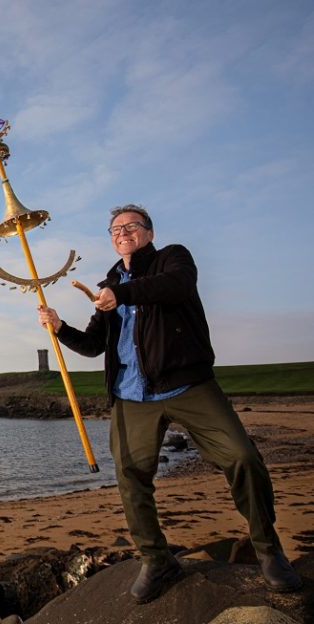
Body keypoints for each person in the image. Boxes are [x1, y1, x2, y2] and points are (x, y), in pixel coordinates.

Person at [37, 204, 303, 603]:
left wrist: (120, 294)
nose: (122, 232)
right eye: (115, 229)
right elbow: (94, 346)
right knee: (130, 476)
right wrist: (60, 328)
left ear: (148, 231)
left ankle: (268, 550)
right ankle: (157, 559)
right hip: (131, 395)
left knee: (243, 458)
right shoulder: (108, 282)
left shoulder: (172, 259)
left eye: (131, 226)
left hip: (187, 384)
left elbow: (174, 287)